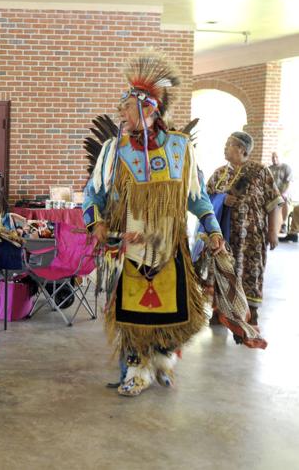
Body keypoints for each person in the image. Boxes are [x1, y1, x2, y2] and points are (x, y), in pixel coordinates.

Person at [83, 51, 225, 397]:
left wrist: (212, 228)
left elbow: (197, 195)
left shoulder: (180, 148)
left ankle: (161, 361)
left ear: (149, 109)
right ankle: (134, 369)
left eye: (128, 106)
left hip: (169, 243)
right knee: (131, 315)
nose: (122, 112)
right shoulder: (114, 151)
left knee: (172, 310)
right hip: (130, 244)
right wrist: (97, 225)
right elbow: (92, 197)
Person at [207, 132, 282, 325]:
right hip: (224, 237)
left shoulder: (260, 171)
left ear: (242, 149)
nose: (225, 147)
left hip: (252, 237)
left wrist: (273, 231)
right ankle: (220, 313)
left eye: (229, 144)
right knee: (223, 272)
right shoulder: (219, 173)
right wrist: (222, 199)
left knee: (251, 272)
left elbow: (274, 203)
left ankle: (251, 315)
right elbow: (204, 202)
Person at [268, 152, 293, 241]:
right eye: (273, 157)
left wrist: (284, 193)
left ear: (280, 157)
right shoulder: (269, 168)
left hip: (284, 193)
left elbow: (288, 183)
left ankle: (283, 224)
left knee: (284, 200)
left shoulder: (286, 168)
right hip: (272, 193)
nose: (274, 158)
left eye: (276, 157)